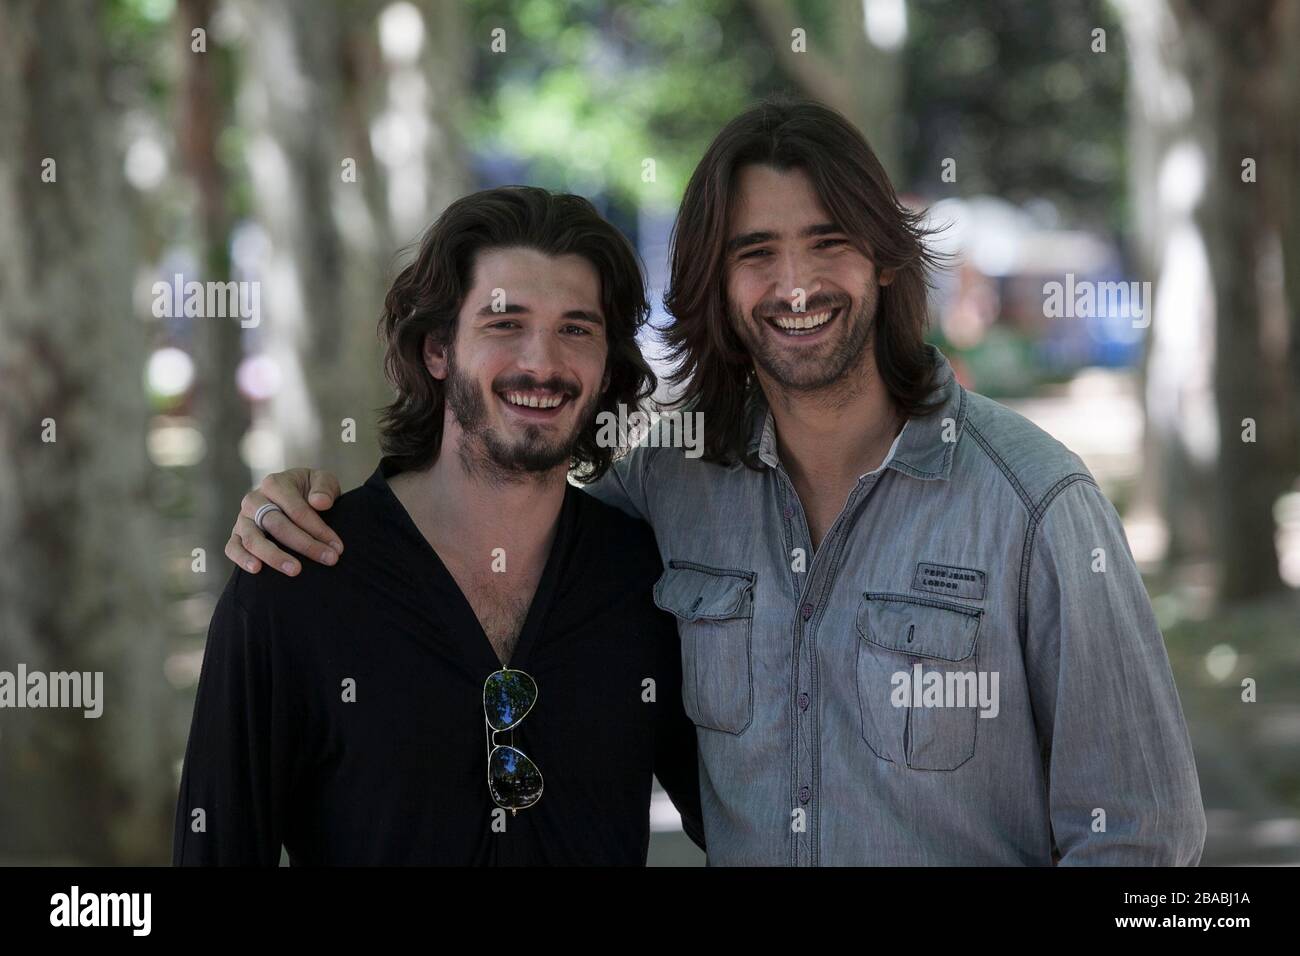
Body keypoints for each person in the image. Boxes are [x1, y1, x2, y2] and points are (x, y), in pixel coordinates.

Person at [225, 97, 1207, 866]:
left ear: (882, 258)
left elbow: (1141, 836)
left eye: (827, 242)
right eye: (755, 253)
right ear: (716, 284)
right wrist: (306, 509)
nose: (794, 284)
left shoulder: (1036, 506)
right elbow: (501, 515)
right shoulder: (664, 489)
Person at [174, 186, 704, 865]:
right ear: (437, 350)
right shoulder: (294, 578)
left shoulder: (647, 579)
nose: (542, 363)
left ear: (607, 369)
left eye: (576, 329)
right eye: (504, 323)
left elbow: (747, 817)